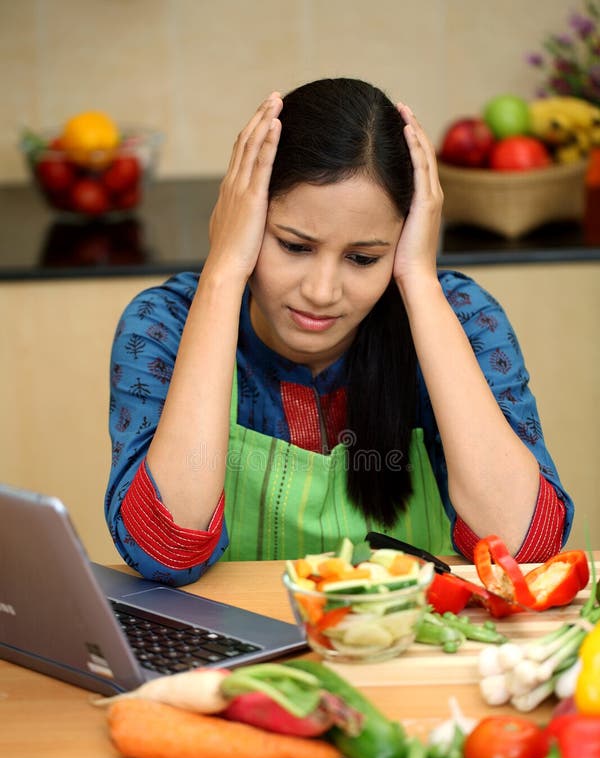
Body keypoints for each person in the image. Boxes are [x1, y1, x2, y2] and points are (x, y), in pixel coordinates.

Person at [105, 78, 573, 586]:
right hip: (241, 661)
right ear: (245, 219)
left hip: (412, 651)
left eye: (363, 258)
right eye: (294, 246)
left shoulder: (457, 316)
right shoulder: (164, 325)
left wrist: (417, 278)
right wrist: (221, 272)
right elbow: (164, 549)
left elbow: (525, 545)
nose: (322, 291)